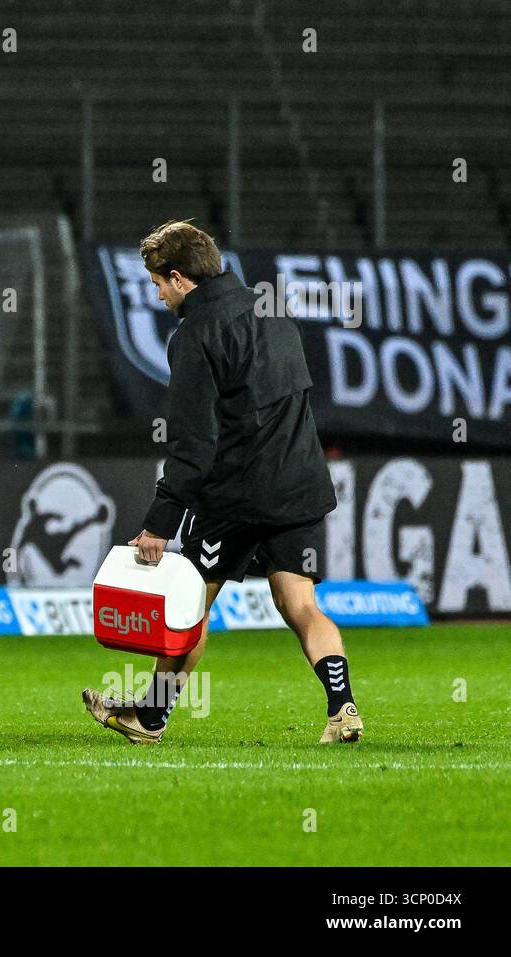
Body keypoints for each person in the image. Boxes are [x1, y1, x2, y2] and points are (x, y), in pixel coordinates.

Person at [83, 220, 360, 745]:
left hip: (237, 495)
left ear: (181, 278)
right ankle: (342, 708)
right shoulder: (272, 308)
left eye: (158, 282)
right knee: (301, 605)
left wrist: (159, 523)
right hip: (299, 484)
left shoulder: (195, 335)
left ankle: (151, 717)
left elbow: (194, 442)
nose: (158, 292)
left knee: (190, 608)